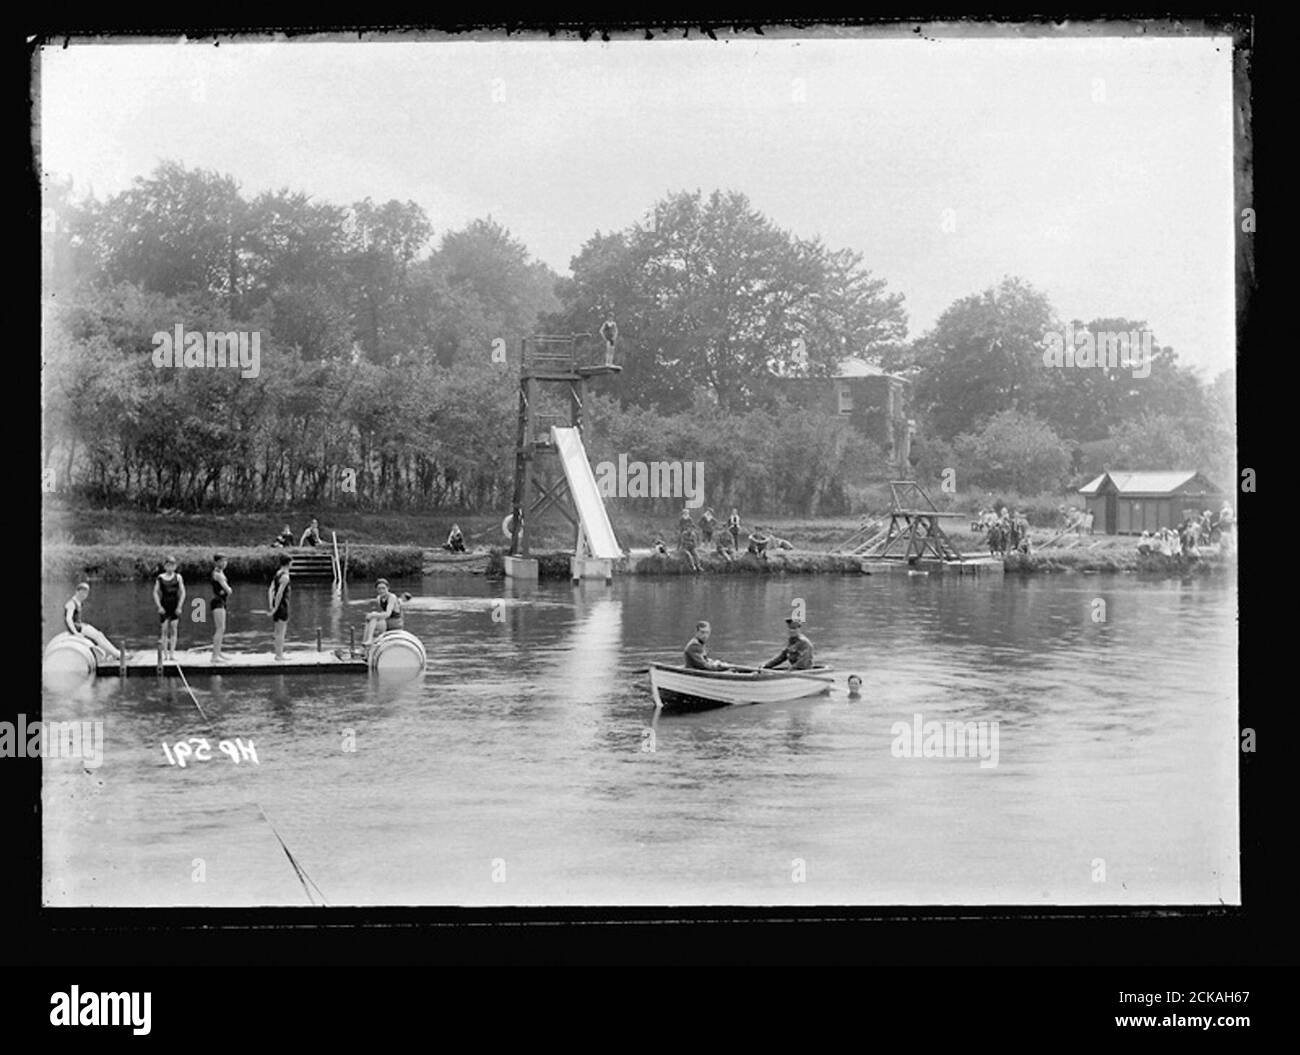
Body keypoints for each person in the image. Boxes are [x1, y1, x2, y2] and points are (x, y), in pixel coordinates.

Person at [63, 582, 121, 660]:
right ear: (77, 591)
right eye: (82, 593)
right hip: (76, 627)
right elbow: (68, 619)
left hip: (80, 625)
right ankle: (117, 654)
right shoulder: (71, 603)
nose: (84, 596)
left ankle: (115, 652)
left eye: (86, 594)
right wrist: (76, 633)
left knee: (100, 634)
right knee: (97, 636)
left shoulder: (79, 602)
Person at [153, 556, 185, 662]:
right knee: (164, 630)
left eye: (172, 565)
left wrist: (180, 606)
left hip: (174, 605)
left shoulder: (178, 577)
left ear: (175, 567)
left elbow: (183, 592)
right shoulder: (160, 577)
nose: (170, 568)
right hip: (164, 605)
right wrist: (159, 606)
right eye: (168, 565)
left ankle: (172, 654)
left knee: (174, 629)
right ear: (165, 566)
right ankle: (165, 654)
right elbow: (155, 593)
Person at [363, 579, 404, 644]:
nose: (381, 591)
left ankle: (370, 640)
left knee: (373, 616)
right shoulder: (379, 598)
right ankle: (365, 642)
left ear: (388, 588)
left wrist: (373, 615)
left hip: (395, 623)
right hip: (387, 621)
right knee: (370, 619)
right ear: (376, 589)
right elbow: (383, 614)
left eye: (383, 588)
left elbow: (387, 614)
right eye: (379, 589)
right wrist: (371, 616)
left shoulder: (392, 597)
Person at [268, 554, 292, 660]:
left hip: (276, 605)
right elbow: (279, 593)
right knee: (281, 633)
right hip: (282, 606)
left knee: (277, 632)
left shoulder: (277, 574)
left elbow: (270, 590)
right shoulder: (285, 576)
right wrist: (276, 608)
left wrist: (271, 605)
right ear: (289, 563)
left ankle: (277, 654)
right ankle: (279, 655)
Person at [211, 554, 232, 663]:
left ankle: (218, 652)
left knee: (222, 629)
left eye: (226, 561)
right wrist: (228, 590)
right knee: (220, 628)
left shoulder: (221, 572)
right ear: (216, 562)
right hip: (217, 602)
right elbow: (228, 589)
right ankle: (214, 657)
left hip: (222, 601)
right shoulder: (217, 574)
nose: (224, 563)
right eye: (222, 561)